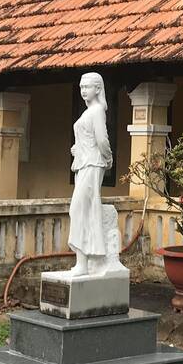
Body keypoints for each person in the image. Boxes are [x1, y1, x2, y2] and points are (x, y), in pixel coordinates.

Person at [68, 72, 112, 275]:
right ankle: (82, 262)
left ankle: (83, 263)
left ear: (98, 88)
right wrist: (77, 150)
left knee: (81, 210)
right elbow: (87, 139)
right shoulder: (89, 112)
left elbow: (102, 140)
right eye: (81, 87)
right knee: (78, 211)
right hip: (84, 163)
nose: (83, 91)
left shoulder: (96, 111)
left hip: (93, 164)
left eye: (87, 87)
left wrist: (108, 158)